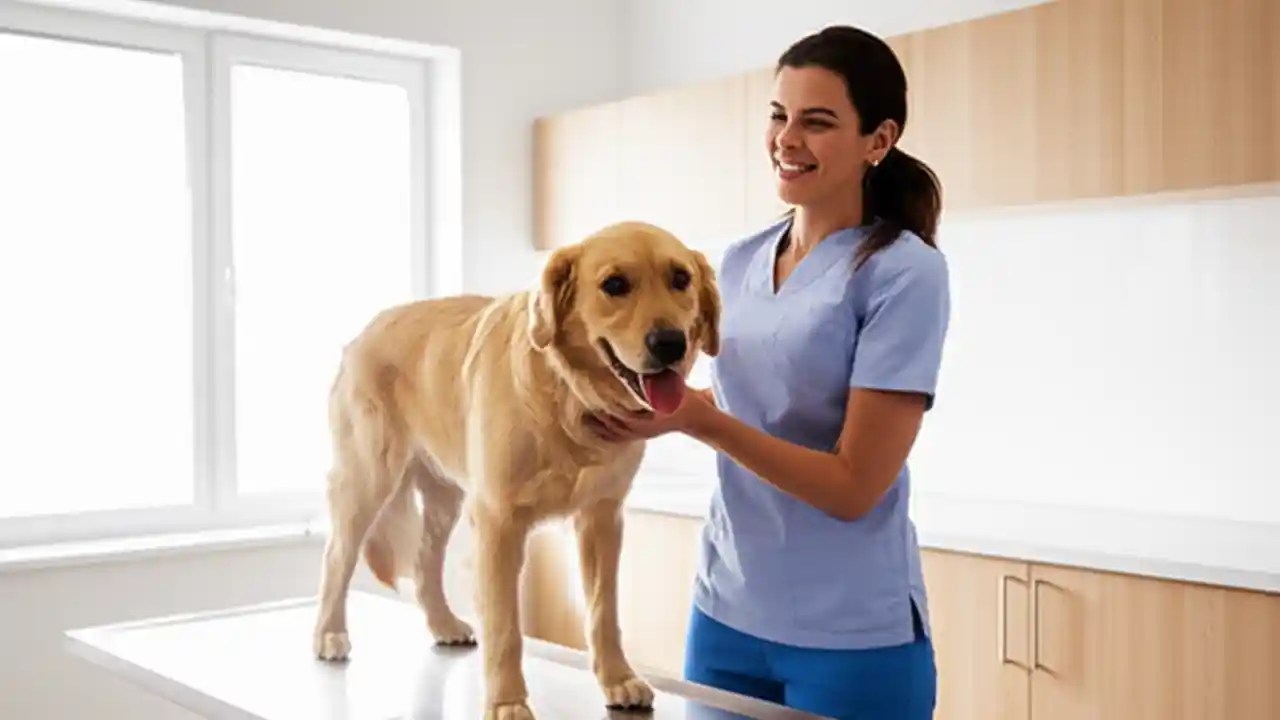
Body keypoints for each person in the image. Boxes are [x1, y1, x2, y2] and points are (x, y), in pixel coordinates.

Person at [588, 24, 949, 720]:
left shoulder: (904, 272)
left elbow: (853, 487)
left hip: (851, 638)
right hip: (725, 614)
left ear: (879, 140)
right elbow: (717, 399)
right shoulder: (737, 261)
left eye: (817, 122)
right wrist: (645, 410)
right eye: (779, 115)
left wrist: (699, 420)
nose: (787, 138)